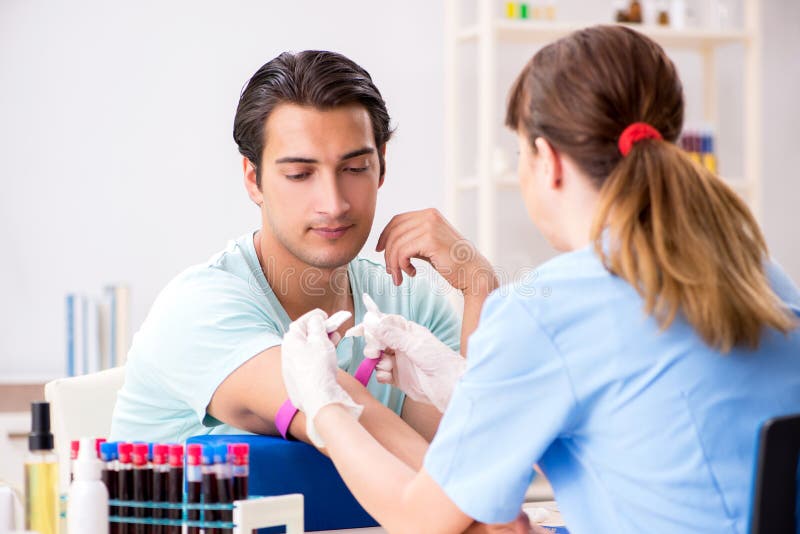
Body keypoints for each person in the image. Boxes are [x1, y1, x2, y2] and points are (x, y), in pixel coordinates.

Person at [279, 26, 800, 533]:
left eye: (521, 151)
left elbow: (422, 518)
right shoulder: (758, 276)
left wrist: (324, 402)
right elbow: (647, 442)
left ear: (547, 161)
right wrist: (457, 384)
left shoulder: (549, 310)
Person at [109, 50, 498, 470]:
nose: (333, 204)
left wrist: (481, 287)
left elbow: (474, 455)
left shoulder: (409, 305)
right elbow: (344, 418)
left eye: (354, 168)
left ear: (381, 166)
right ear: (254, 179)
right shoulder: (200, 308)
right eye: (299, 174)